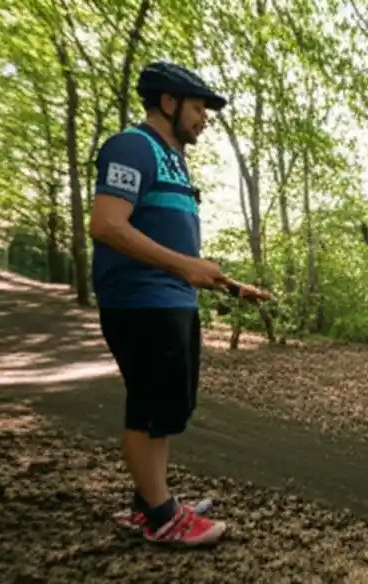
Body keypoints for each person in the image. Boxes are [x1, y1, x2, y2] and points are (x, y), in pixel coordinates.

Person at [89, 60, 271, 546]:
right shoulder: (132, 147)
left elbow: (180, 252)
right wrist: (184, 268)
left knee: (164, 407)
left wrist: (231, 286)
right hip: (139, 302)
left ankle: (147, 502)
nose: (205, 118)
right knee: (151, 407)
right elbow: (106, 225)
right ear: (167, 103)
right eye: (197, 107)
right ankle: (162, 516)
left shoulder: (174, 159)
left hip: (171, 299)